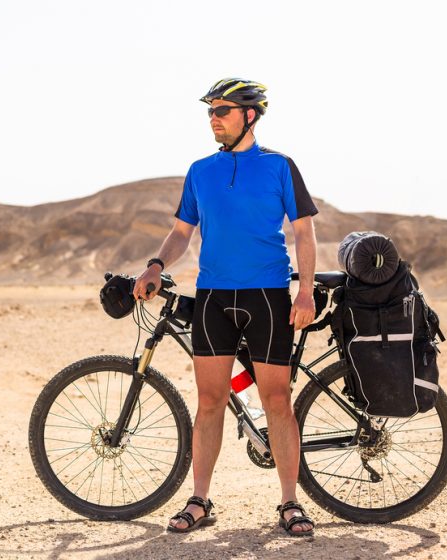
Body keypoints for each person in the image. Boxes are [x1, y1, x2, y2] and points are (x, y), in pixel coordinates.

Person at [133, 78, 319, 536]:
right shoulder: (200, 171)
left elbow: (304, 233)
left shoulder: (280, 167)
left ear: (249, 115)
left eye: (223, 110)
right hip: (214, 298)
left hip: (268, 297)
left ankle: (290, 503)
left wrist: (306, 290)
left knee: (277, 400)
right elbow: (182, 232)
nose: (213, 118)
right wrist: (156, 264)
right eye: (210, 111)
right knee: (210, 400)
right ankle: (199, 500)